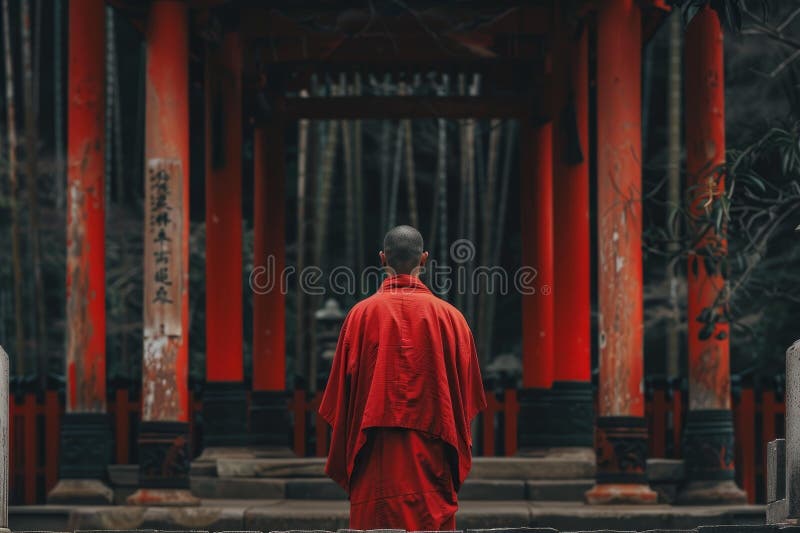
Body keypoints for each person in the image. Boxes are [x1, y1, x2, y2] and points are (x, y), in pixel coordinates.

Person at [319, 225, 486, 531]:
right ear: (424, 259)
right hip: (432, 462)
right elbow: (467, 397)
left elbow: (338, 399)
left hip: (375, 461)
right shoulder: (452, 319)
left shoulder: (360, 316)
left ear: (382, 258)